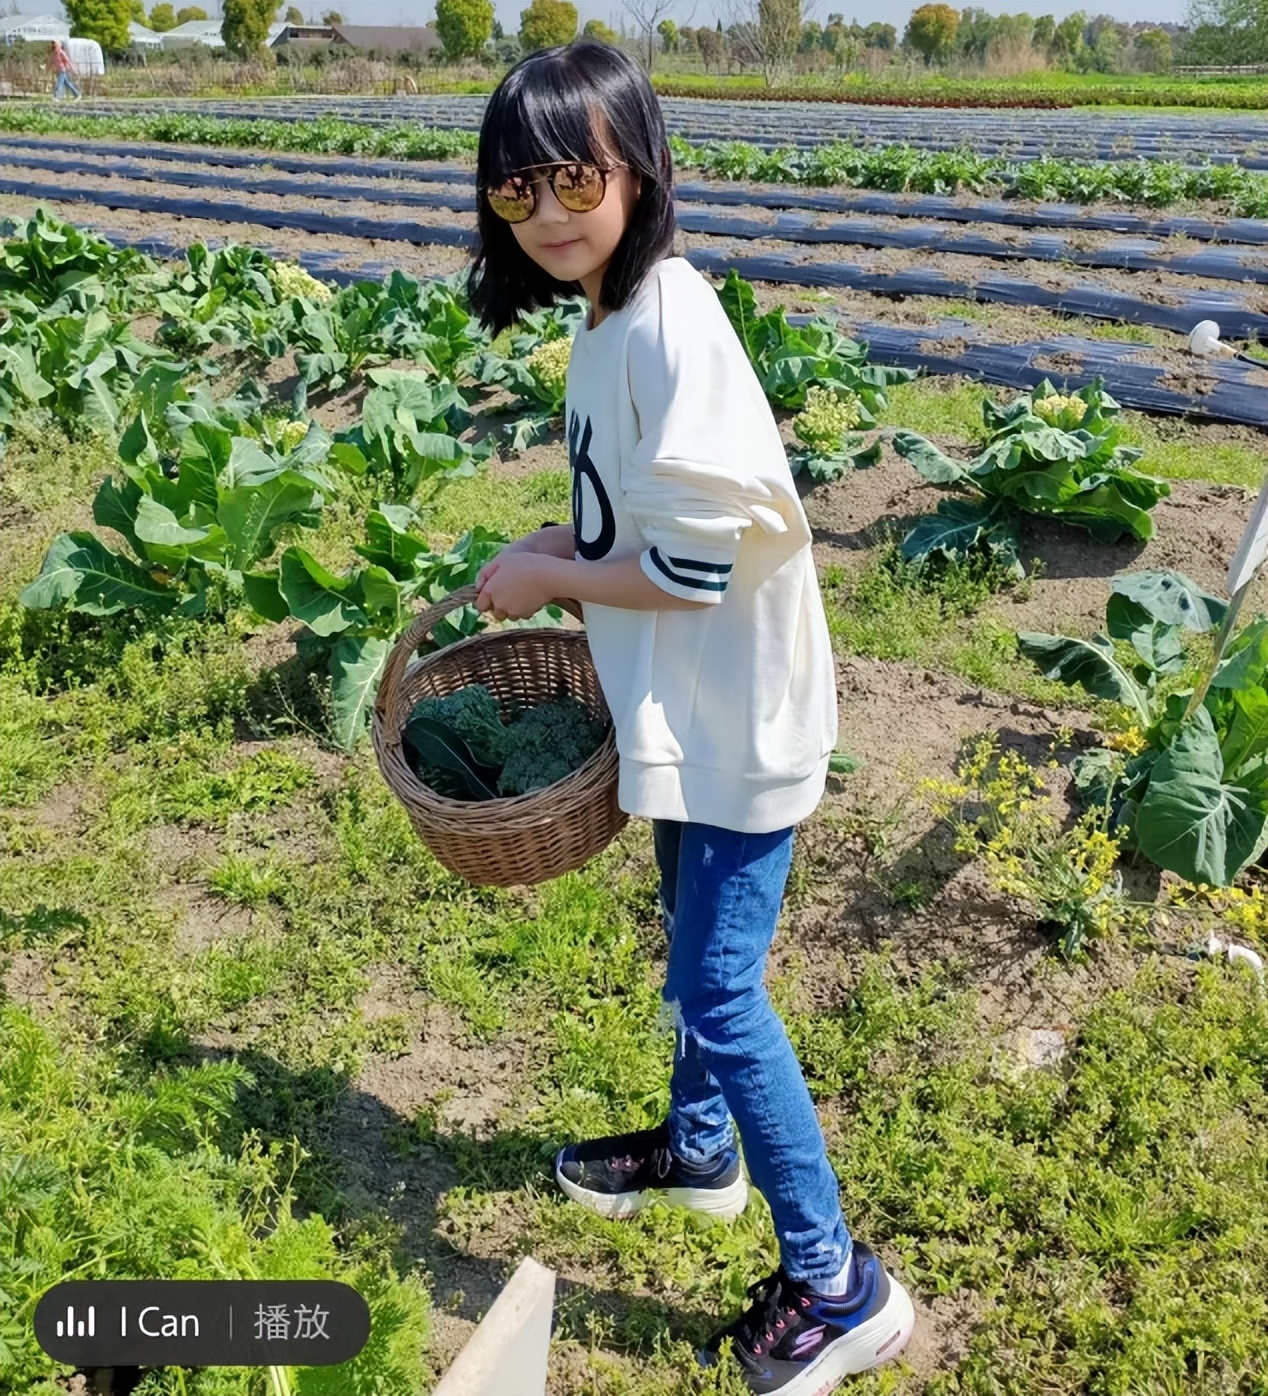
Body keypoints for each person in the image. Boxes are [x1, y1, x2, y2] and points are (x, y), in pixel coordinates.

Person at [469, 39, 916, 1396]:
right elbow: (645, 518)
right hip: (687, 710)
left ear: (639, 168)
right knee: (690, 950)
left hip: (740, 721)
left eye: (573, 179)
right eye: (516, 193)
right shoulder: (606, 317)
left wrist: (551, 573)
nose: (548, 214)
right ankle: (701, 1153)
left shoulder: (669, 315)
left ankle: (841, 1287)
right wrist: (568, 534)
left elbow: (699, 567)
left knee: (720, 988)